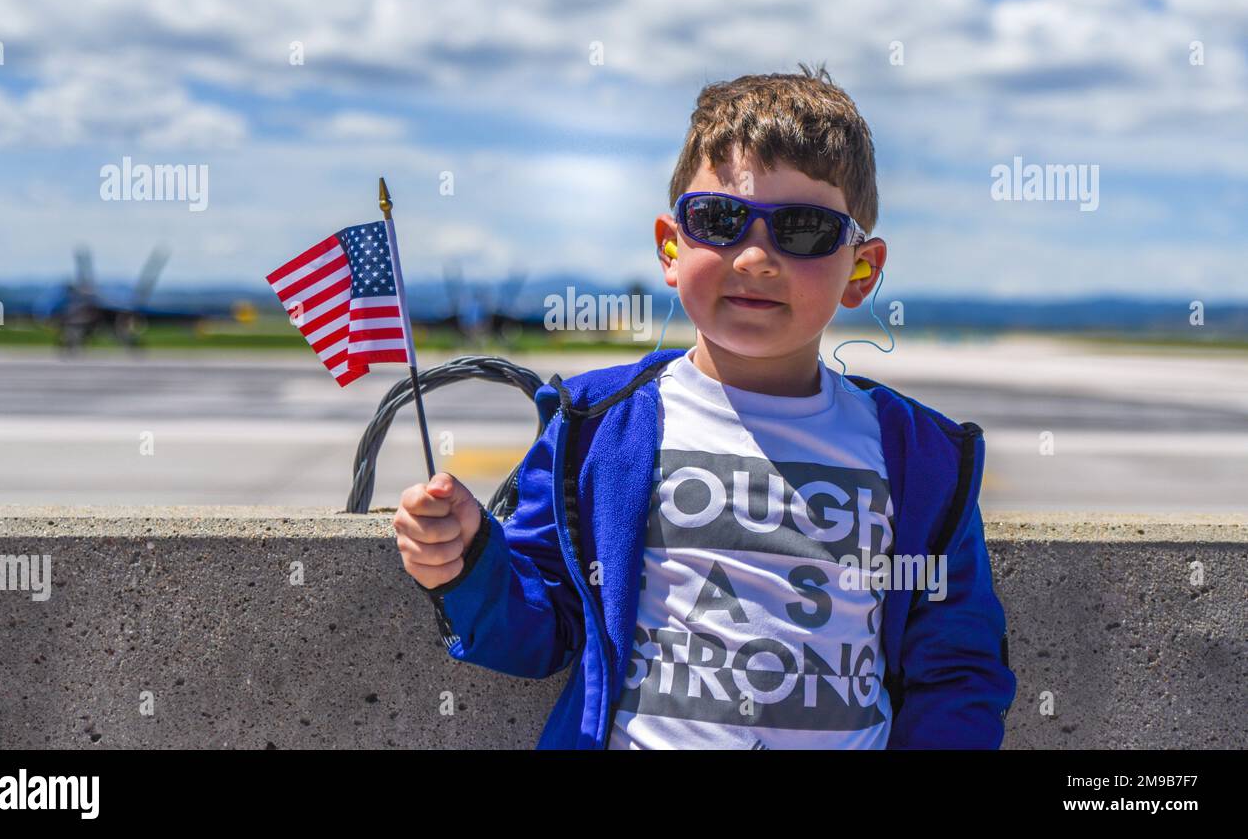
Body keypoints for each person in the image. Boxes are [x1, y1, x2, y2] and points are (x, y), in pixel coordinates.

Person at [395, 62, 1016, 749]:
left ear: (861, 271)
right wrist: (467, 560)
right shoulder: (598, 422)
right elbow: (544, 624)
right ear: (670, 246)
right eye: (719, 220)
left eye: (804, 229)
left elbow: (958, 671)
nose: (754, 258)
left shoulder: (920, 456)